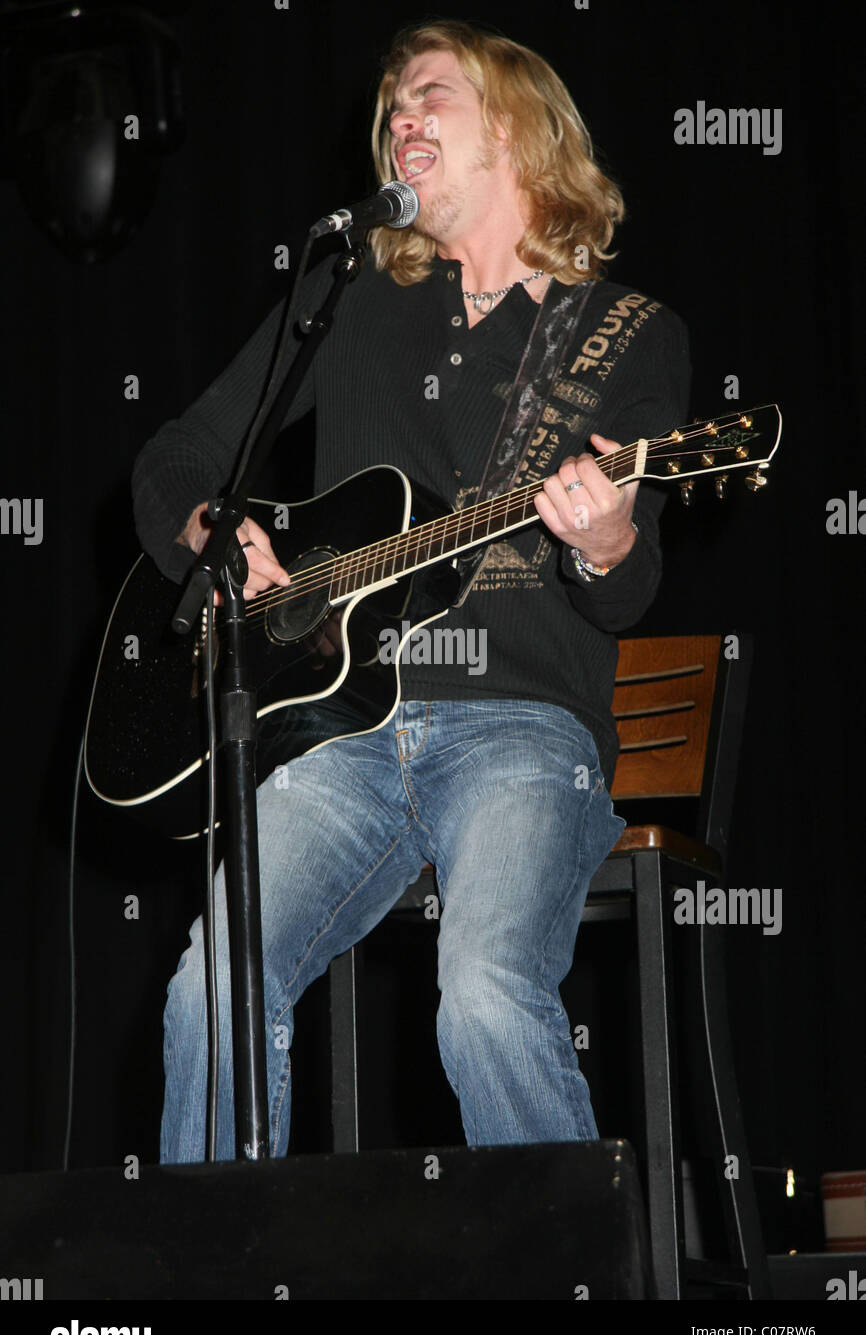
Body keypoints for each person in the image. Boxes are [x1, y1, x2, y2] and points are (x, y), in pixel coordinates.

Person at [132, 20, 690, 1162]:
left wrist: (607, 533)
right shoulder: (355, 303)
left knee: (482, 990)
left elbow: (622, 598)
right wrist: (211, 528)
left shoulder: (630, 335)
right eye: (391, 105)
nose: (399, 117)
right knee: (209, 991)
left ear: (518, 130)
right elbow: (177, 458)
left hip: (523, 728)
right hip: (340, 731)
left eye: (429, 95)